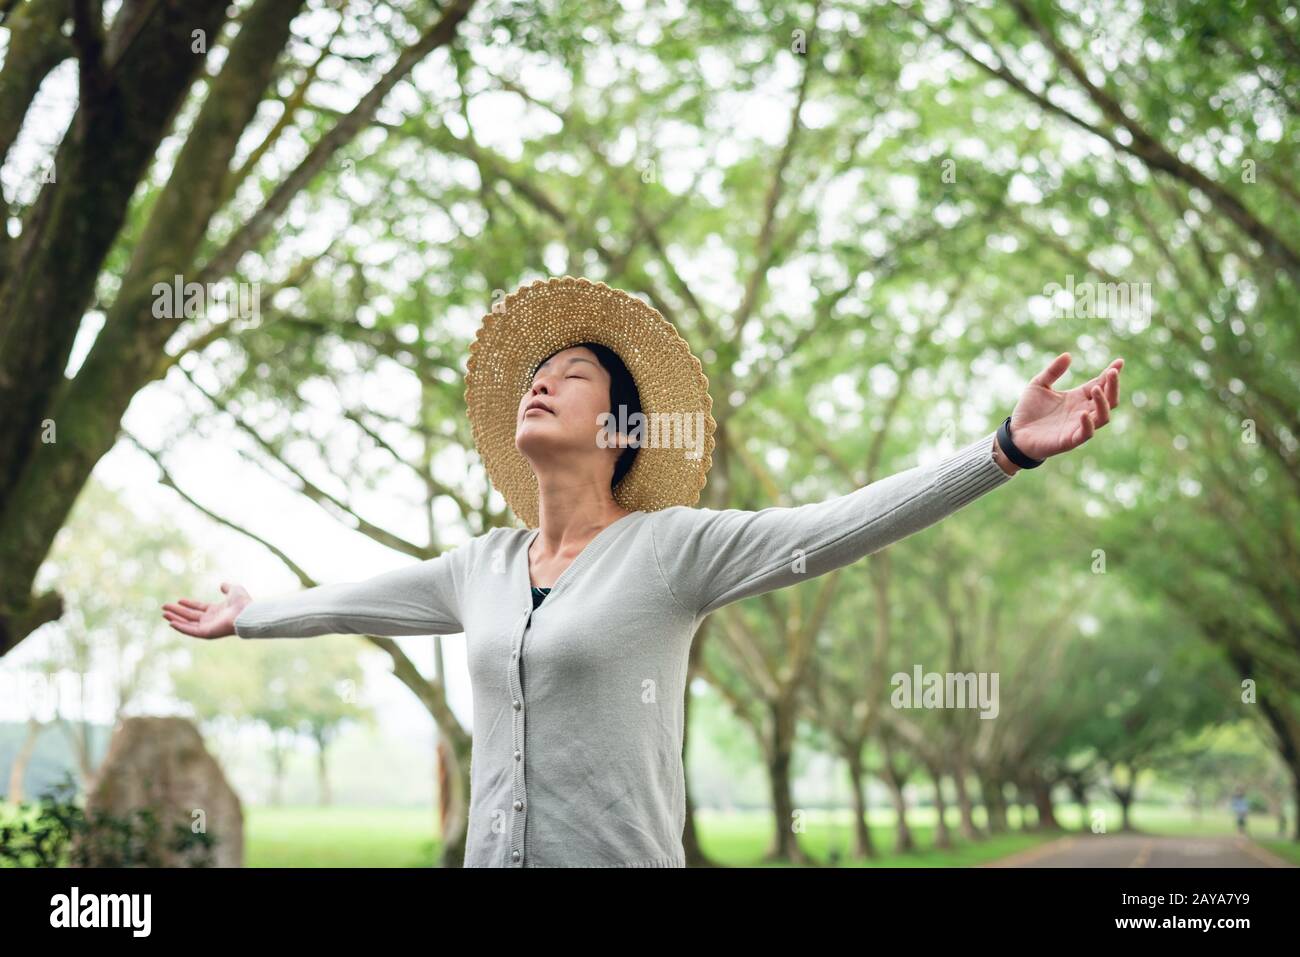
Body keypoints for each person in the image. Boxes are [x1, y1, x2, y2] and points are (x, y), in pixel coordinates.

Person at [163, 275, 1123, 867]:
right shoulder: (481, 568)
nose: (541, 380)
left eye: (570, 374)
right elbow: (355, 600)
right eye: (536, 374)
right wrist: (252, 616)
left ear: (621, 428)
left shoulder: (671, 549)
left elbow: (836, 525)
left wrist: (1003, 450)